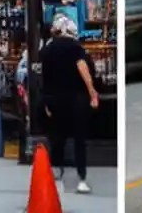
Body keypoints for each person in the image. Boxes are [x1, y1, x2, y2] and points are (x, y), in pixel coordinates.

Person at [40, 16, 99, 194]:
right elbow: (83, 69)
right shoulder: (75, 48)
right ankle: (81, 178)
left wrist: (46, 102)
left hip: (56, 99)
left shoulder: (47, 50)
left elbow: (44, 78)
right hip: (77, 98)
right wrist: (92, 92)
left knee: (58, 136)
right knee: (79, 139)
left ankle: (57, 169)